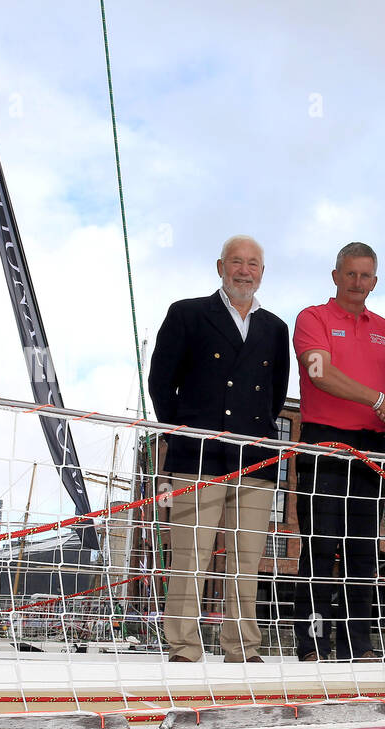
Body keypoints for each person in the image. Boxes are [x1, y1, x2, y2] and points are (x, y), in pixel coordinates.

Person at [148, 235, 289, 663]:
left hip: (255, 460)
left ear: (262, 272)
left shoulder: (276, 328)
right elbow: (160, 382)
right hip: (197, 456)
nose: (244, 270)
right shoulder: (187, 313)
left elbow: (275, 397)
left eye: (253, 264)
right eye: (236, 262)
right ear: (220, 267)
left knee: (247, 559)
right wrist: (185, 431)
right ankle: (184, 648)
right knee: (191, 554)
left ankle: (242, 647)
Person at [292, 242, 385, 662]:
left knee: (363, 551)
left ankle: (358, 647)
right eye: (351, 273)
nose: (358, 282)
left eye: (366, 276)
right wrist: (378, 400)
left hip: (373, 449)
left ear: (374, 281)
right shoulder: (313, 318)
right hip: (324, 441)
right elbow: (319, 372)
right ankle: (312, 645)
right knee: (320, 547)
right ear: (336, 275)